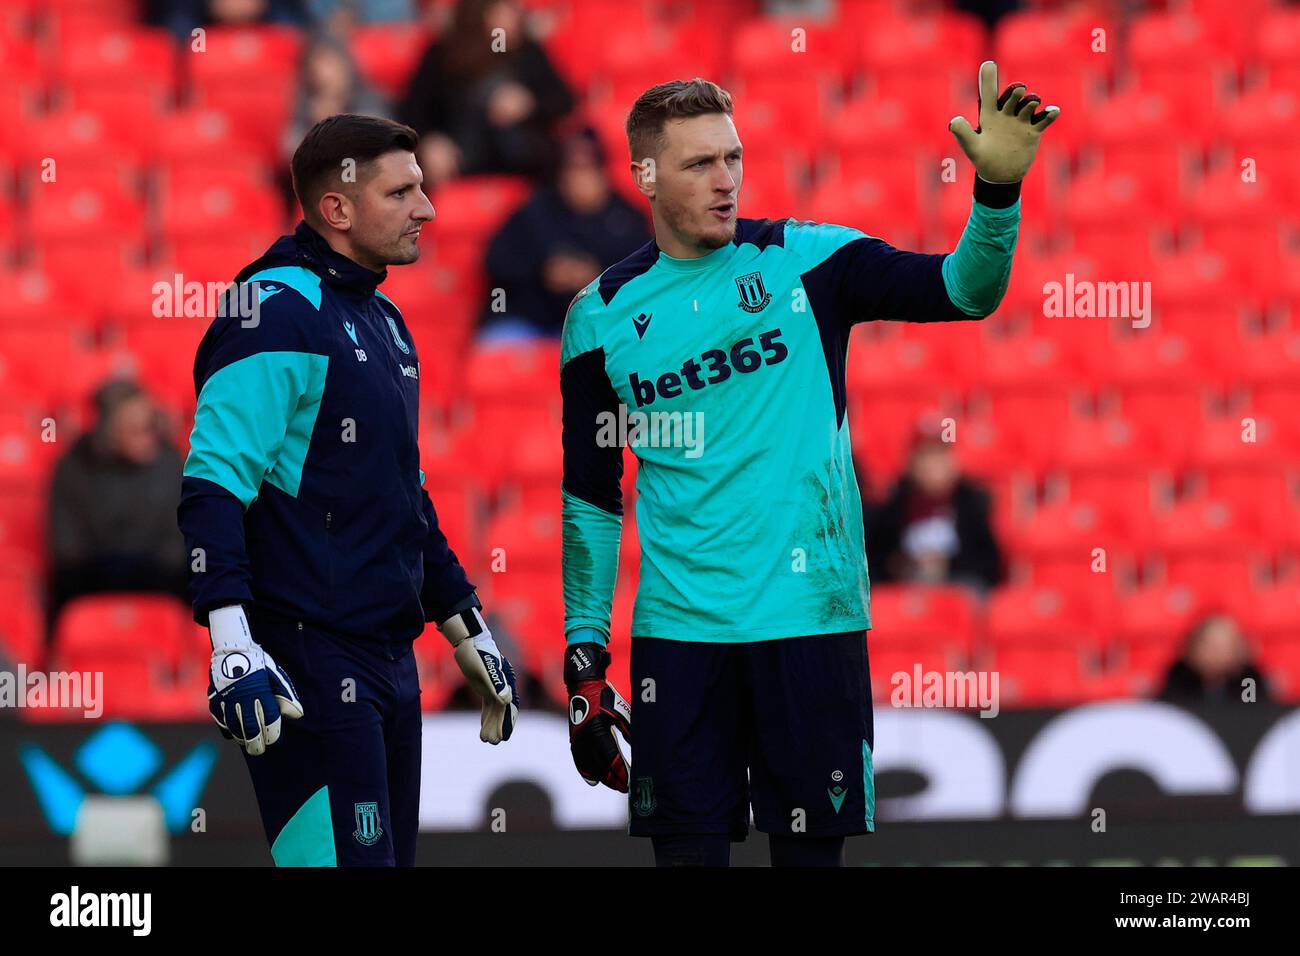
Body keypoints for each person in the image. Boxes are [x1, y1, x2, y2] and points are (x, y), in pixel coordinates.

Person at [559, 66, 1059, 867]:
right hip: (680, 641)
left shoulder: (809, 261)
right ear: (645, 176)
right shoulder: (599, 317)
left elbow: (964, 291)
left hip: (812, 621)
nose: (726, 182)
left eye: (733, 158)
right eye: (698, 165)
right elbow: (589, 496)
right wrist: (585, 653)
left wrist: (996, 195)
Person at [177, 114, 519, 867]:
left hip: (389, 657)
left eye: (422, 188)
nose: (427, 209)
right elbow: (212, 484)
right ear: (337, 209)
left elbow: (405, 497)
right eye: (402, 192)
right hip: (306, 654)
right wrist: (231, 642)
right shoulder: (271, 310)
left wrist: (466, 625)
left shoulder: (387, 319)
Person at [478, 125, 652, 341]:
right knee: (498, 343)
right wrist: (544, 271)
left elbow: (647, 277)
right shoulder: (534, 211)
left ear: (602, 172)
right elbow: (495, 263)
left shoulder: (628, 217)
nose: (579, 179)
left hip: (601, 325)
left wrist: (597, 276)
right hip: (534, 321)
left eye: (587, 169)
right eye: (571, 170)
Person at [47, 380, 188, 644]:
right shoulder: (72, 467)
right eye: (136, 429)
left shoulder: (171, 463)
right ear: (108, 432)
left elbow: (179, 546)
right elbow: (67, 551)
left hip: (161, 584)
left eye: (151, 426)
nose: (148, 436)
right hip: (91, 585)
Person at [397, 0, 575, 189]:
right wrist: (428, 141)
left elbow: (564, 101)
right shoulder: (444, 53)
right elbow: (412, 111)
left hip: (521, 162)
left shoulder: (527, 51)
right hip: (459, 159)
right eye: (502, 12)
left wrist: (529, 102)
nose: (513, 20)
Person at [864, 425, 1004, 592]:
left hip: (956, 590)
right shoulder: (894, 504)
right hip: (906, 591)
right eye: (926, 456)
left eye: (940, 455)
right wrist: (901, 565)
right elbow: (876, 560)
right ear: (912, 462)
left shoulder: (973, 502)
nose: (933, 465)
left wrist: (948, 565)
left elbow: (989, 564)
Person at [1160, 613, 1271, 705]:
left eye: (1223, 647)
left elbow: (1253, 714)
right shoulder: (1179, 677)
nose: (1215, 654)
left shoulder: (1249, 679)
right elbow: (1173, 715)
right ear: (1194, 648)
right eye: (1209, 646)